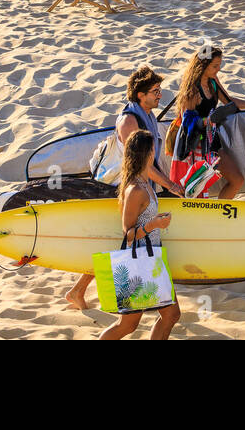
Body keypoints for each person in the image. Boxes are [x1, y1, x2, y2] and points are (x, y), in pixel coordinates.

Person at [68, 67, 181, 312]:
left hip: (140, 187)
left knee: (116, 240)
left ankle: (77, 290)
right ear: (140, 94)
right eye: (155, 91)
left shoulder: (147, 114)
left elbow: (152, 160)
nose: (159, 95)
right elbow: (141, 163)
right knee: (118, 239)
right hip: (121, 188)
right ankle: (79, 291)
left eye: (160, 90)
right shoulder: (129, 120)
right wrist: (169, 185)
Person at [99, 130, 180, 340]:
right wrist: (154, 224)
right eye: (153, 149)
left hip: (153, 260)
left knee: (171, 315)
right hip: (140, 262)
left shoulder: (146, 184)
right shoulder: (135, 189)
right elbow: (128, 234)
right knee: (128, 325)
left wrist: (155, 221)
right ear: (148, 154)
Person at [173, 40, 245, 201]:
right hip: (195, 146)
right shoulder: (192, 90)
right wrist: (208, 121)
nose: (219, 69)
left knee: (237, 180)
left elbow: (229, 102)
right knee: (195, 190)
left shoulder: (213, 82)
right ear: (202, 65)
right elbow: (187, 122)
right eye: (215, 65)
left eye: (219, 65)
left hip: (212, 141)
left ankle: (217, 215)